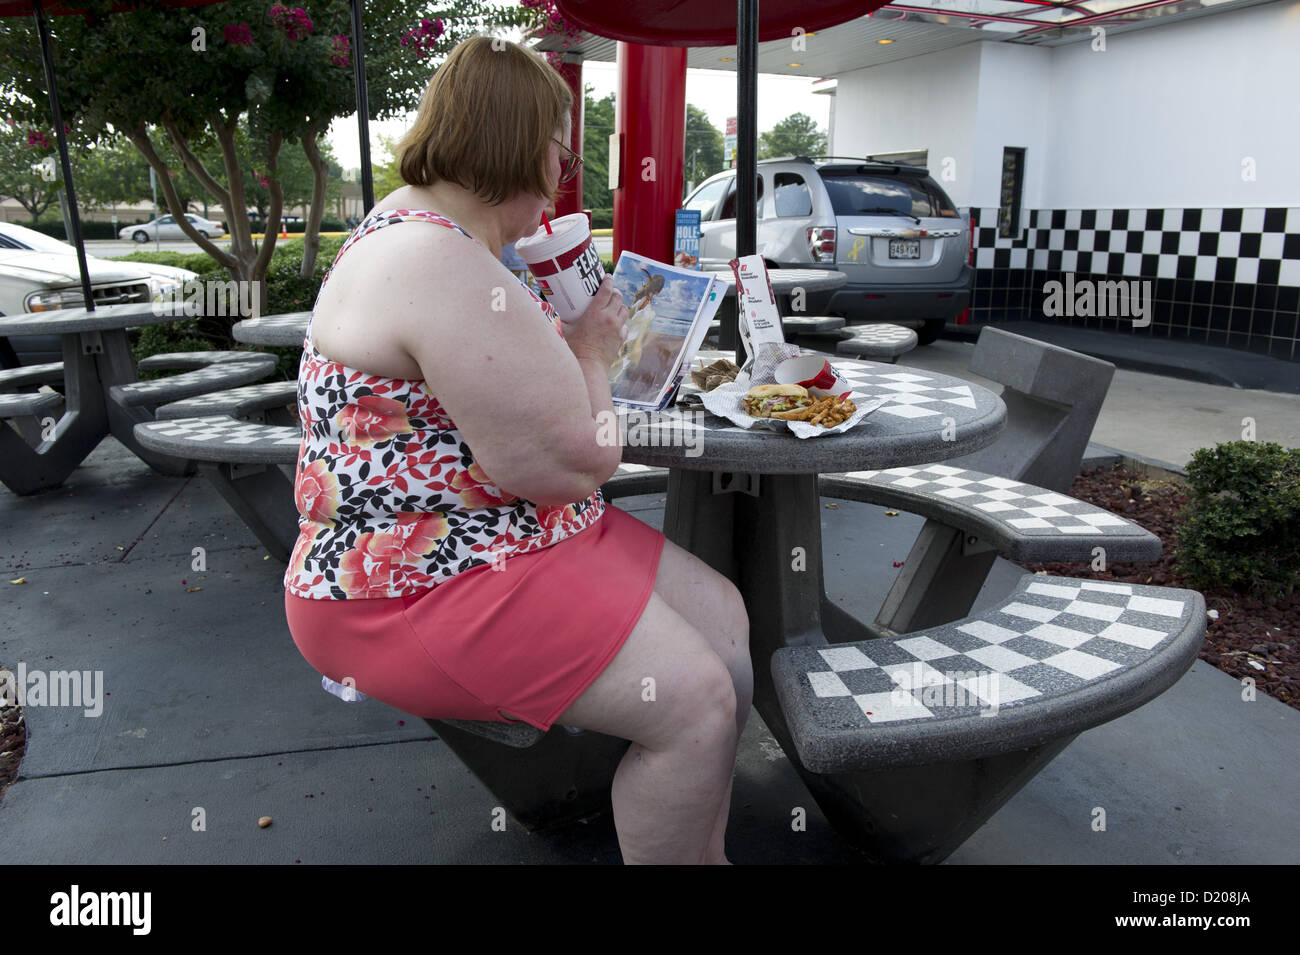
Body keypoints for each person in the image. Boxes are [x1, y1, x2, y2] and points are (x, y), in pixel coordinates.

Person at [281, 36, 752, 865]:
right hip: (413, 586)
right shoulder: (437, 260)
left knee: (725, 616)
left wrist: (578, 350)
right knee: (698, 701)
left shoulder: (434, 237)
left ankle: (699, 836)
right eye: (560, 151)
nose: (560, 175)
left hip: (507, 537)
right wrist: (594, 354)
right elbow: (570, 465)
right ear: (521, 145)